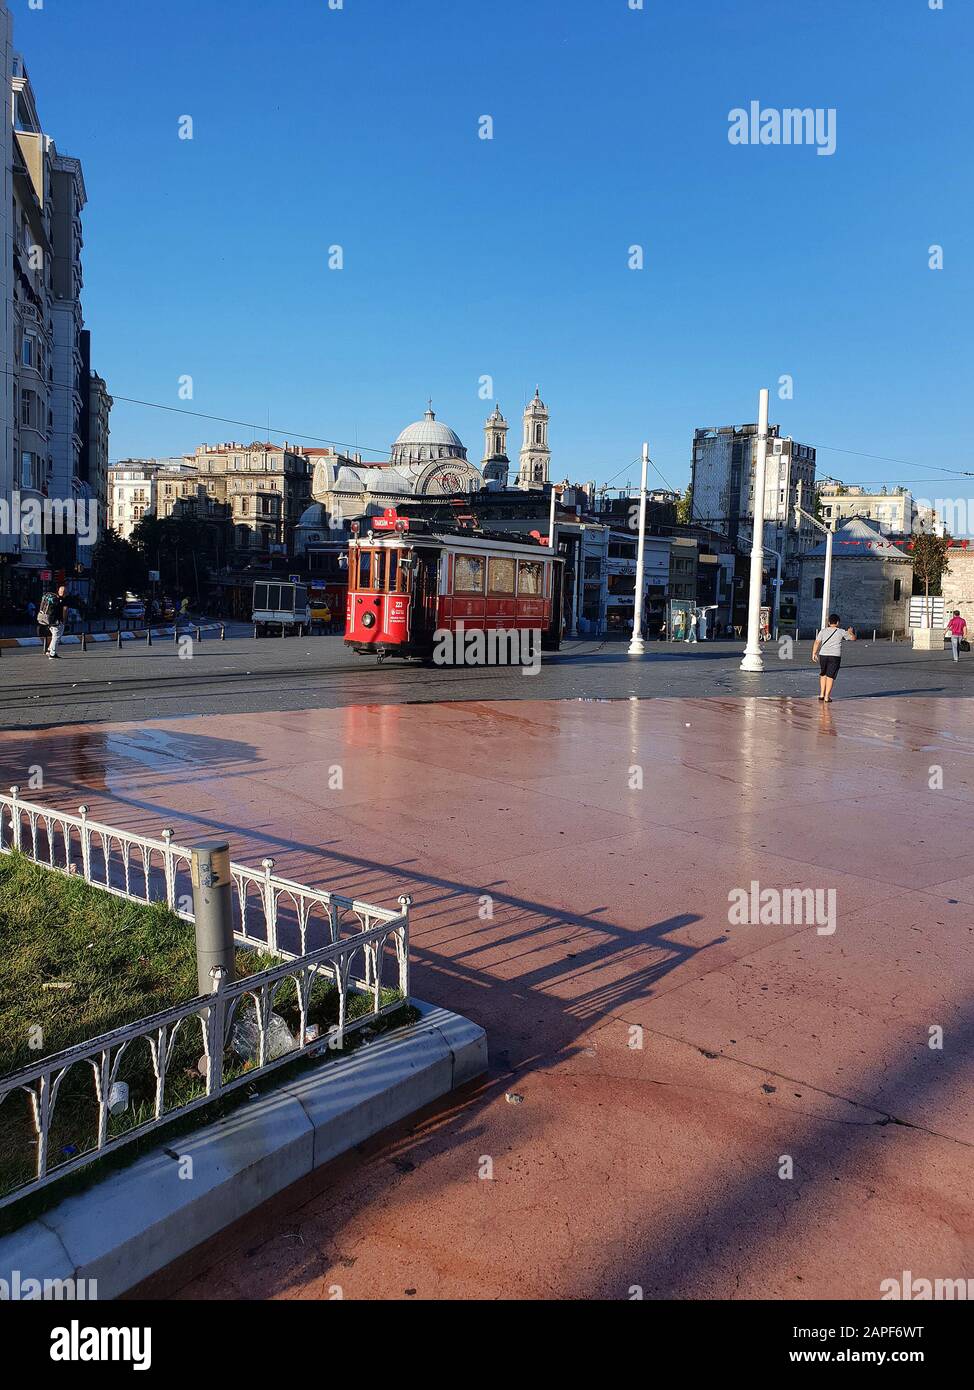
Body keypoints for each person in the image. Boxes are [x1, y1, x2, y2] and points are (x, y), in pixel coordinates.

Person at [812, 613, 856, 701]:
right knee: (830, 676)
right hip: (835, 656)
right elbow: (853, 638)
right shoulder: (841, 631)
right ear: (837, 622)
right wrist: (851, 632)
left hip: (823, 655)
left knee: (823, 673)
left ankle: (821, 694)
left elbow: (817, 642)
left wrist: (814, 653)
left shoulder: (823, 631)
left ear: (828, 622)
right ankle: (827, 697)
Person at [37, 584, 68, 659]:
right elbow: (65, 610)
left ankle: (49, 650)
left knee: (55, 636)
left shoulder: (54, 598)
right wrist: (64, 620)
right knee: (56, 636)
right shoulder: (62, 600)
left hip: (48, 620)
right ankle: (52, 654)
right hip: (55, 621)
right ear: (65, 593)